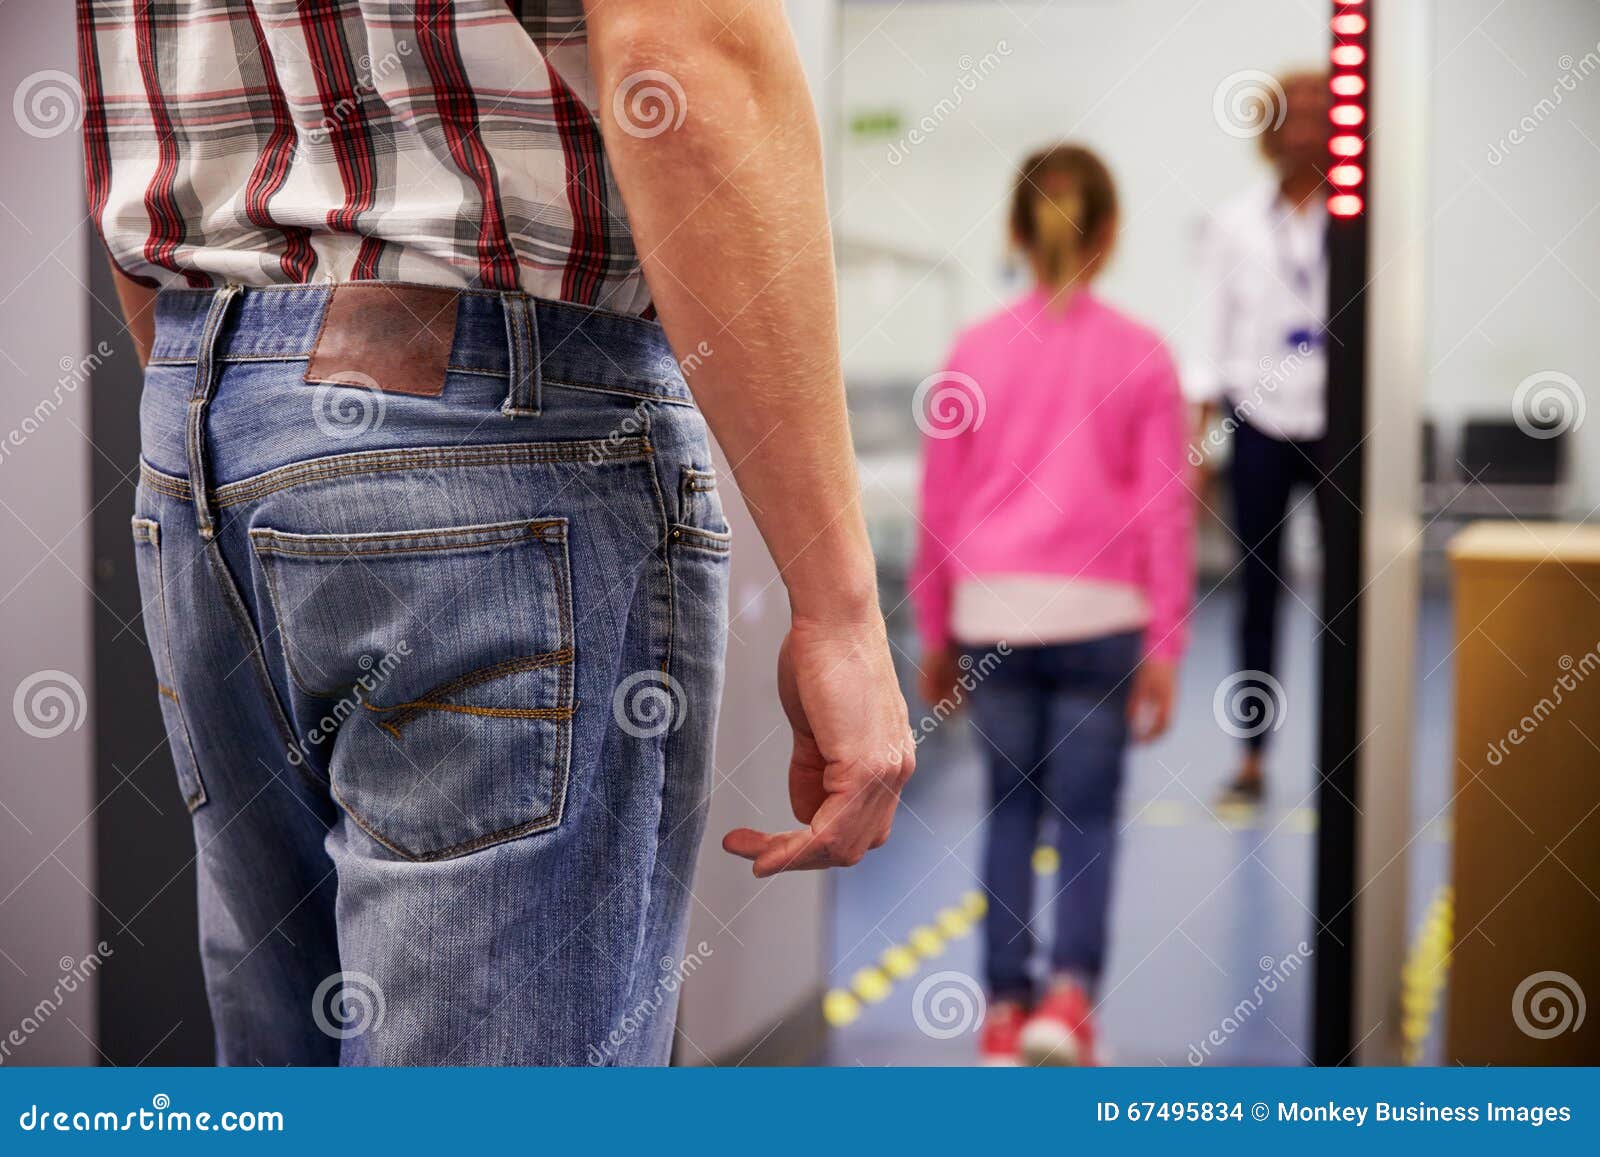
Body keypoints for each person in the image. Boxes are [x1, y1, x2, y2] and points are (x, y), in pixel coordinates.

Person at [80, 0, 911, 1066]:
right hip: (500, 421)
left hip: (201, 424)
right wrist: (839, 606)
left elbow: (115, 119)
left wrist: (244, 425)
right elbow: (685, 51)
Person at [910, 145, 1194, 1065]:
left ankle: (1001, 1010)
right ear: (1109, 234)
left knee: (1008, 812)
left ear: (1014, 231)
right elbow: (1165, 511)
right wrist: (1167, 642)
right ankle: (1067, 1002)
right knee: (1088, 816)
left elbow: (939, 506)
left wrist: (935, 628)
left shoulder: (971, 353)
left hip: (993, 616)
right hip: (1102, 620)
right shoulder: (1145, 356)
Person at [1186, 70, 1331, 805]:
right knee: (1258, 596)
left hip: (1340, 427)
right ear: (1269, 129)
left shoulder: (1358, 218)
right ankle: (1251, 755)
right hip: (1259, 427)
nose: (1305, 123)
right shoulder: (1236, 223)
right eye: (1292, 111)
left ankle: (1349, 746)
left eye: (1319, 108)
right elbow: (1210, 340)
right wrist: (1197, 449)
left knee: (1351, 597)